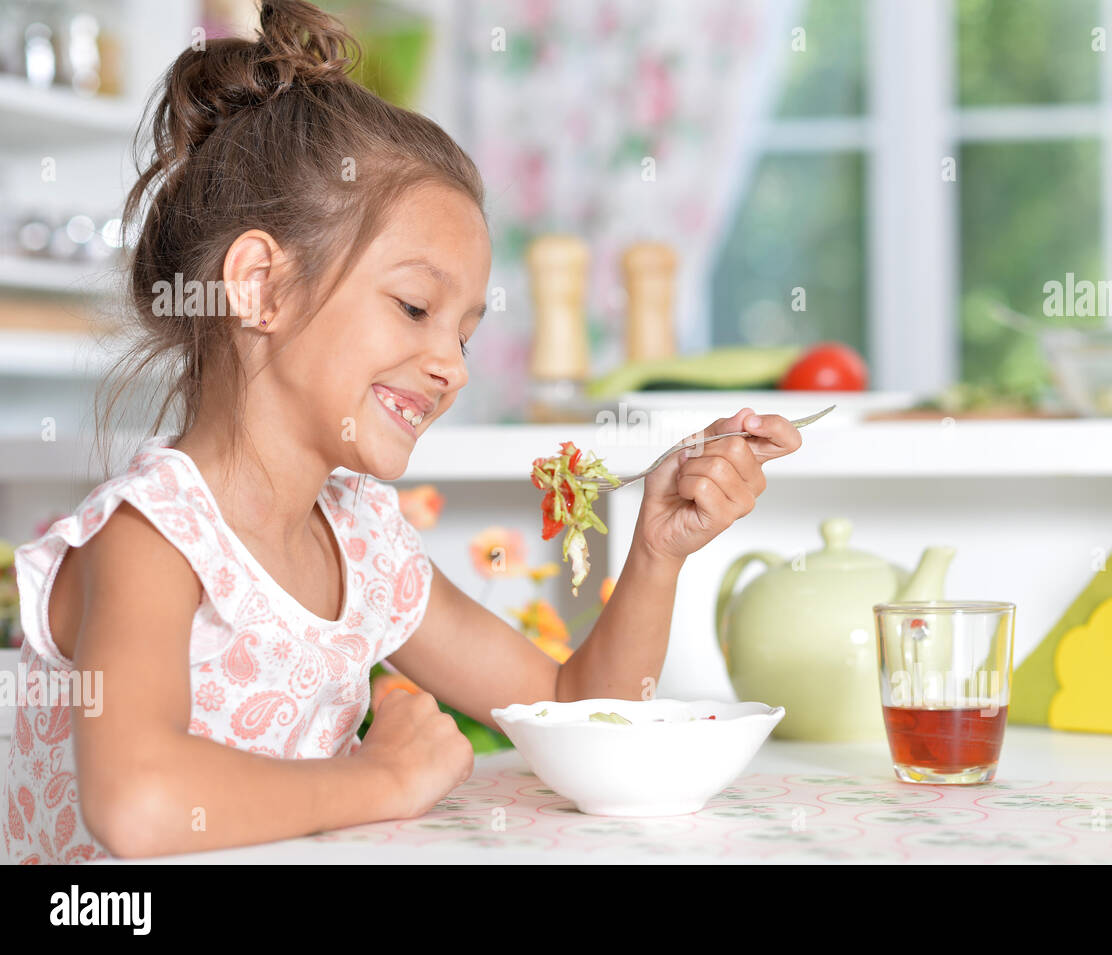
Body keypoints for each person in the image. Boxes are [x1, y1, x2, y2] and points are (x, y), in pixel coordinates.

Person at [2, 0, 801, 864]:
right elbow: (138, 803)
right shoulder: (151, 540)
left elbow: (573, 712)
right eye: (415, 308)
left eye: (463, 333)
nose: (451, 366)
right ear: (260, 286)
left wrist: (655, 552)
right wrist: (384, 779)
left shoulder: (364, 542)